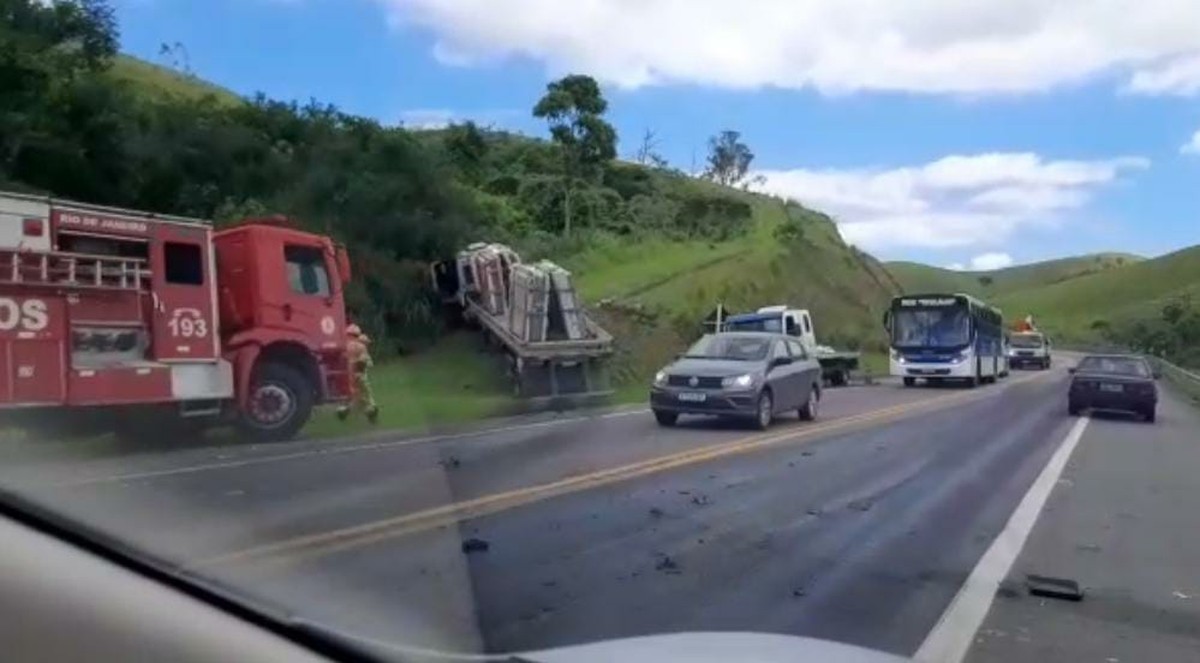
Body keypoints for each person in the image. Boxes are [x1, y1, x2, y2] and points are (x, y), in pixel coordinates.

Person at [337, 323, 379, 424]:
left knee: (355, 396)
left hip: (348, 376)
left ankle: (344, 410)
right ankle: (371, 411)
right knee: (366, 396)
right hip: (359, 374)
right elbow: (363, 362)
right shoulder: (360, 347)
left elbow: (341, 360)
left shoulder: (344, 346)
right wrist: (359, 372)